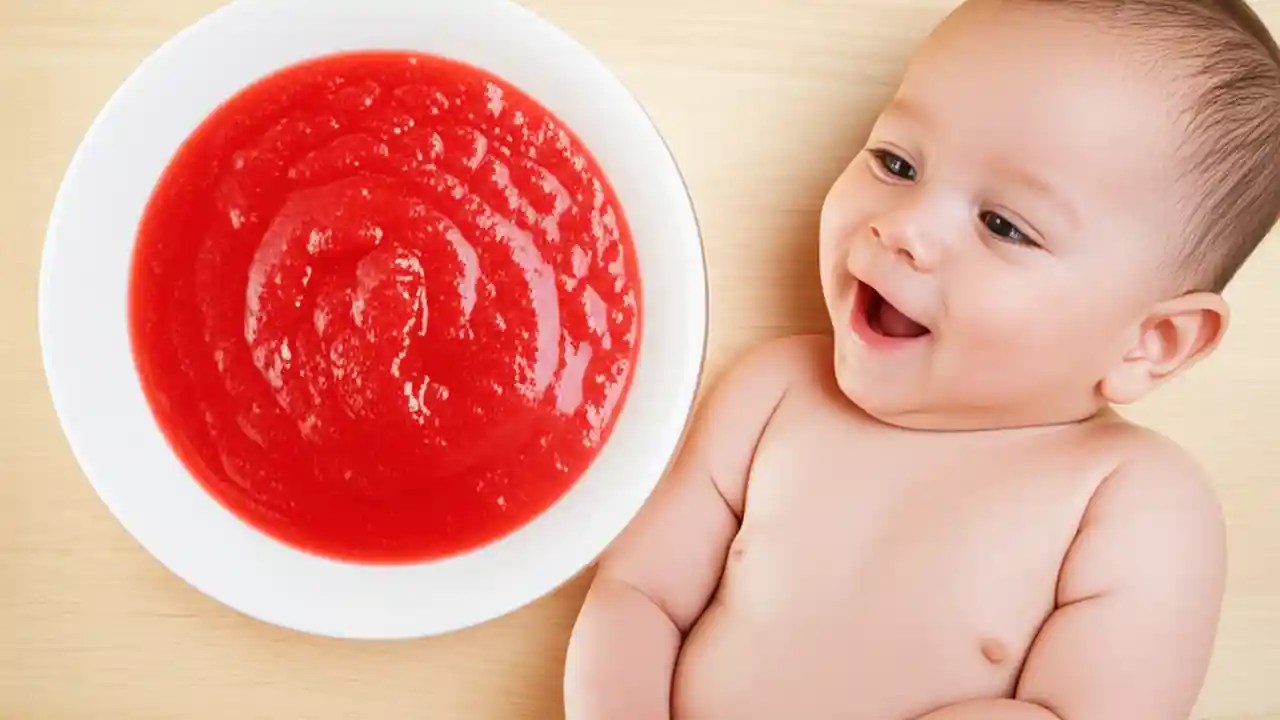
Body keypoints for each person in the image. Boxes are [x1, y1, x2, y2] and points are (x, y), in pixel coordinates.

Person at [562, 0, 1280, 717]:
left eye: (1003, 225)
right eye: (896, 162)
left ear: (1149, 344)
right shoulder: (773, 394)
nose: (904, 226)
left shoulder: (1132, 498)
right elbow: (638, 595)